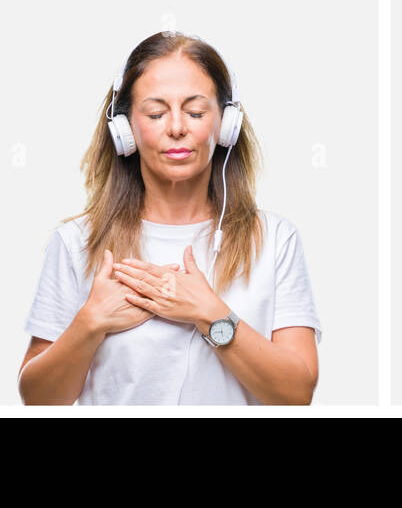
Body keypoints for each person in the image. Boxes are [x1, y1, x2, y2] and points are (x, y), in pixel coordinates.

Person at [20, 32, 320, 405]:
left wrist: (209, 313)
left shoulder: (275, 239)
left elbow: (297, 393)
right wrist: (90, 322)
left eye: (195, 112)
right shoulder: (76, 241)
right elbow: (37, 401)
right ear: (125, 130)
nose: (177, 127)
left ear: (226, 125)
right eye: (156, 113)